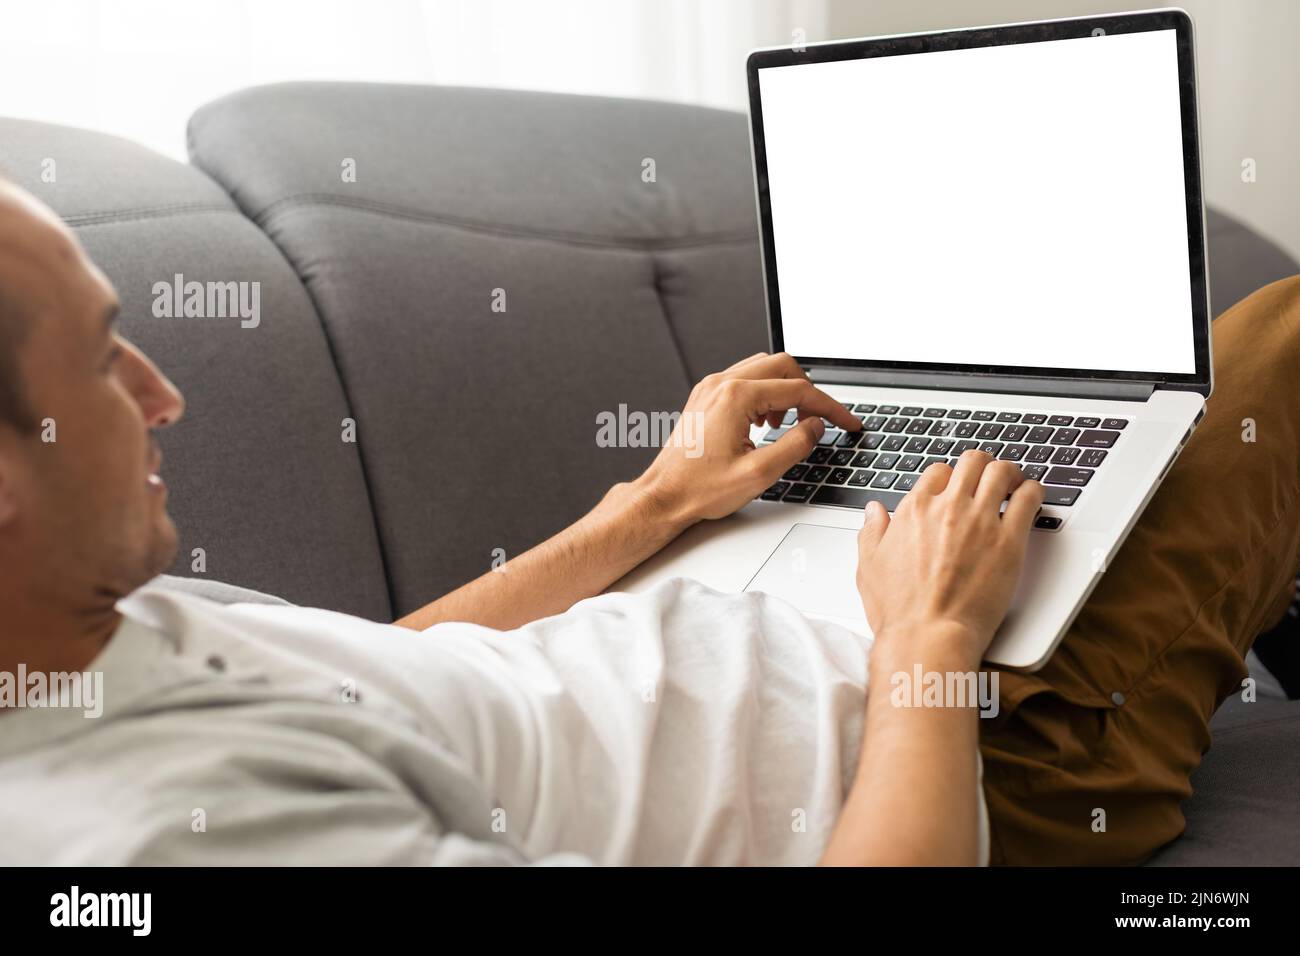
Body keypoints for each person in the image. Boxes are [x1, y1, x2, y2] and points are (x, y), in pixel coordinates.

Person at [0, 176, 1295, 865]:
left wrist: (656, 503)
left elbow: (393, 675)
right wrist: (931, 645)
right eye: (107, 358)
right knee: (1286, 336)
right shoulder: (164, 831)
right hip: (990, 765)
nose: (162, 399)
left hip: (839, 632)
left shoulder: (83, 632)